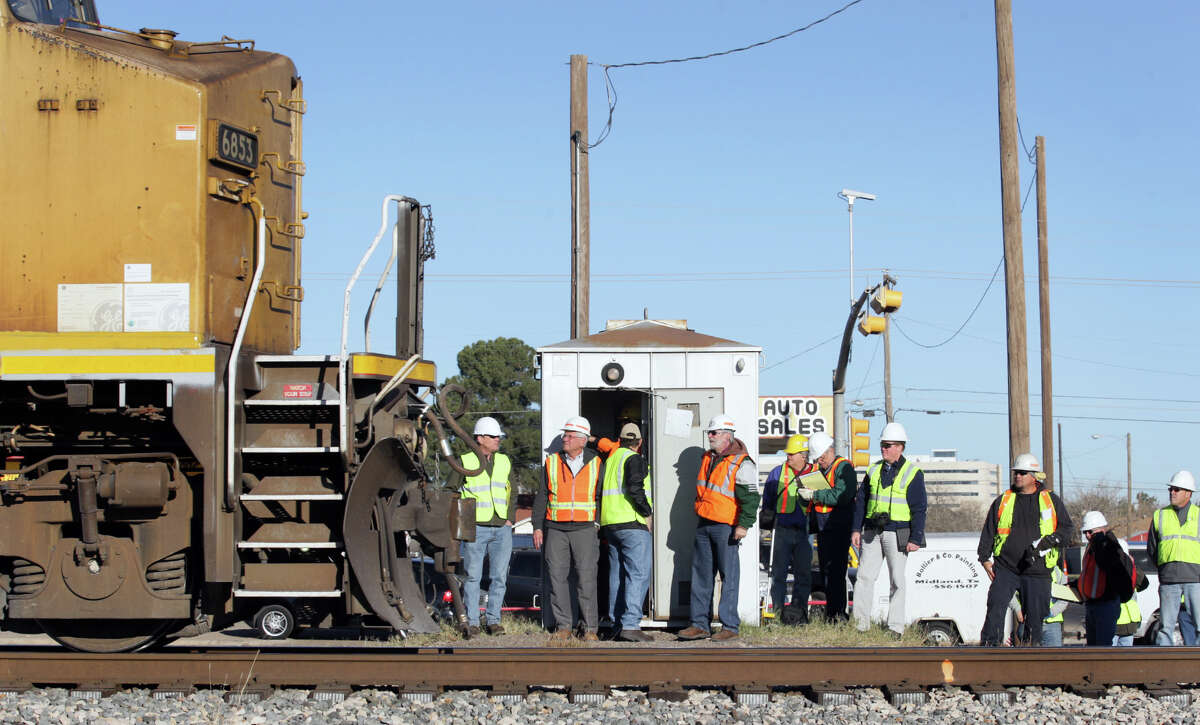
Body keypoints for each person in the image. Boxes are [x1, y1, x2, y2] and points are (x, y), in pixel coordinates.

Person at [677, 415, 759, 642]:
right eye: (709, 433)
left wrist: (743, 525)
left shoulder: (742, 462)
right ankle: (699, 624)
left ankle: (730, 626)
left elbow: (751, 498)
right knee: (701, 576)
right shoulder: (708, 458)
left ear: (727, 435)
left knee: (728, 577)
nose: (710, 436)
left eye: (714, 433)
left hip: (726, 526)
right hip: (705, 523)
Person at [977, 453, 1072, 646]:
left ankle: (1031, 655)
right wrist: (984, 558)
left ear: (1033, 476)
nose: (1017, 476)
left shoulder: (1051, 500)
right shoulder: (1004, 500)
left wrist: (1052, 539)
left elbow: (1067, 529)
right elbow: (989, 529)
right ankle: (989, 648)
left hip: (1038, 570)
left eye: (1022, 473)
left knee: (1035, 618)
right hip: (1007, 568)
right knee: (996, 605)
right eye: (1016, 473)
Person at [850, 421, 927, 635]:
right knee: (864, 577)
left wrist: (915, 537)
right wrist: (856, 529)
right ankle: (860, 625)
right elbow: (861, 501)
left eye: (888, 445)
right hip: (872, 530)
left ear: (900, 447)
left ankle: (895, 627)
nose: (883, 448)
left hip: (898, 532)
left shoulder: (913, 472)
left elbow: (920, 508)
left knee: (897, 581)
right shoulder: (873, 470)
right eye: (882, 444)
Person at [533, 416, 604, 641]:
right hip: (555, 528)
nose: (565, 438)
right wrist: (537, 526)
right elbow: (542, 495)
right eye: (565, 435)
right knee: (557, 578)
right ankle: (563, 626)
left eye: (569, 435)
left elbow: (601, 496)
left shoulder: (597, 462)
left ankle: (590, 628)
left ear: (582, 440)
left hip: (585, 528)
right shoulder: (552, 462)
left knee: (587, 579)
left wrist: (597, 523)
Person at [450, 416, 517, 637]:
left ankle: (493, 621)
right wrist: (462, 523)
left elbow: (512, 491)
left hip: (501, 527)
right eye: (494, 436)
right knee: (472, 577)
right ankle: (471, 621)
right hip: (475, 528)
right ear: (480, 438)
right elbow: (451, 491)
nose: (498, 440)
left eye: (499, 436)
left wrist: (509, 518)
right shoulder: (464, 461)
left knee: (499, 577)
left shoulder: (504, 462)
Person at [598, 422, 653, 642]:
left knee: (617, 575)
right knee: (637, 574)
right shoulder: (634, 459)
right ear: (639, 443)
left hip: (610, 524)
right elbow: (634, 488)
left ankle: (616, 623)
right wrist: (647, 512)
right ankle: (630, 624)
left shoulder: (611, 459)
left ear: (619, 440)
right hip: (632, 522)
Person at [796, 431, 858, 621]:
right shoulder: (822, 470)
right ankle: (831, 614)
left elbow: (842, 496)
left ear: (829, 451)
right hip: (824, 529)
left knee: (836, 573)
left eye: (821, 458)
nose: (819, 461)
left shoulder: (844, 468)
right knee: (826, 573)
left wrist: (815, 495)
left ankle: (838, 614)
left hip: (838, 527)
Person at [759, 434, 815, 624]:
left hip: (805, 532)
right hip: (781, 530)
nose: (788, 457)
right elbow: (767, 501)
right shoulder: (777, 473)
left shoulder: (814, 473)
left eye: (792, 454)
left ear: (803, 455)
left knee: (803, 575)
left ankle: (799, 614)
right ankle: (777, 613)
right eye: (788, 454)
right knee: (778, 574)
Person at [1147, 470, 1200, 646]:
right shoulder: (1160, 515)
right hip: (1169, 580)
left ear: (1188, 493)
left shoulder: (1198, 516)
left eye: (1177, 489)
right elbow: (1152, 549)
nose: (1172, 492)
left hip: (1196, 580)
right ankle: (1166, 666)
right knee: (1165, 628)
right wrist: (1165, 568)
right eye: (1171, 489)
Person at [1076, 510, 1136, 646]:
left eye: (1090, 532)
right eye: (1085, 532)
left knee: (1102, 648)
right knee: (1094, 648)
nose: (1087, 535)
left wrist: (1100, 542)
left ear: (1102, 529)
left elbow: (1111, 567)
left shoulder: (1107, 546)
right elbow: (1089, 575)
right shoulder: (1091, 548)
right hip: (1092, 604)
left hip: (1106, 604)